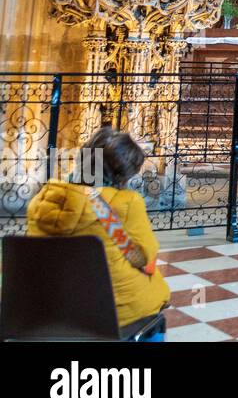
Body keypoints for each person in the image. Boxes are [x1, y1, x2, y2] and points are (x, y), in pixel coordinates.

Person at [26, 127, 171, 337]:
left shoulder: (44, 197)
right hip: (110, 312)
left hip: (47, 307)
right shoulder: (127, 202)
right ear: (122, 172)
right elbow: (143, 258)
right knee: (154, 296)